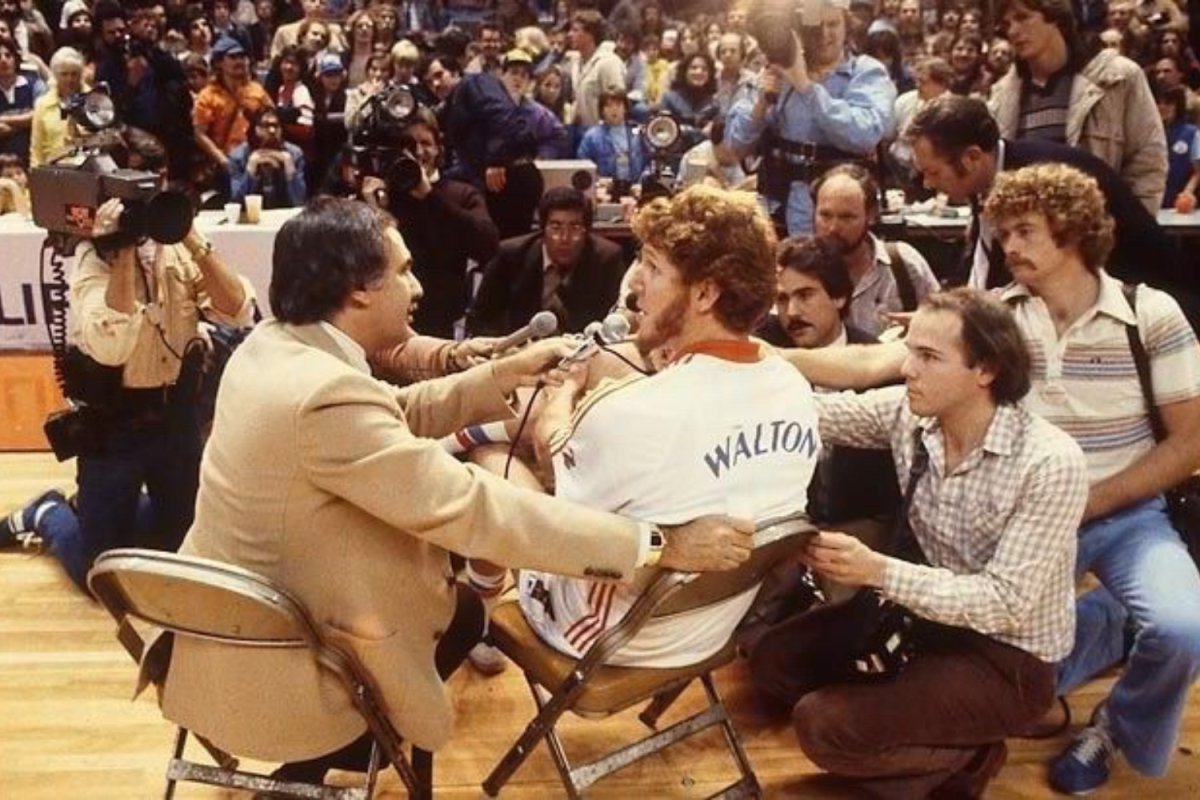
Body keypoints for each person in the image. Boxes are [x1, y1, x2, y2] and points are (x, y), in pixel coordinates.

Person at [151, 196, 754, 783]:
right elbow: (476, 510)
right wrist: (651, 543)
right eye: (405, 272)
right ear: (359, 289)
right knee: (462, 610)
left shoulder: (274, 347)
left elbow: (390, 412)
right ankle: (331, 762)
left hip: (222, 623)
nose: (417, 289)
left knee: (459, 604)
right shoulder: (322, 395)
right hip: (285, 657)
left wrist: (497, 375)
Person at [752, 287, 1090, 798]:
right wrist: (732, 372)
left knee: (822, 726)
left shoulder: (1050, 462)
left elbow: (1006, 604)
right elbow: (817, 415)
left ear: (987, 369)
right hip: (926, 618)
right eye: (910, 351)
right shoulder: (913, 415)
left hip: (1007, 660)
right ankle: (925, 721)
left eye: (928, 357)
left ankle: (972, 757)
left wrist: (877, 571)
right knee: (773, 661)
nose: (908, 369)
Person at [511, 185, 818, 667]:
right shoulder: (796, 387)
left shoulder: (631, 412)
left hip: (610, 637)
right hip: (712, 632)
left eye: (653, 268)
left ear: (704, 294)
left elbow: (549, 453)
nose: (637, 284)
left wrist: (564, 393)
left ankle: (481, 616)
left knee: (491, 463)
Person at [983, 164, 1200, 795]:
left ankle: (1113, 725)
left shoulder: (1149, 312)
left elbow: (1190, 444)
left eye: (1024, 231)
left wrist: (1087, 502)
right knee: (1006, 692)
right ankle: (1102, 627)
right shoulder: (997, 314)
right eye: (1003, 234)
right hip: (1025, 522)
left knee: (1187, 626)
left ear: (1073, 232)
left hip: (1127, 514)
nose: (1009, 247)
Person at [0, 130, 255, 591]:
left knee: (186, 554)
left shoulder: (179, 249)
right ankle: (50, 511)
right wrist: (119, 251)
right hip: (114, 429)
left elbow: (238, 311)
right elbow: (110, 348)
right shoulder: (91, 258)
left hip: (176, 420)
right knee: (100, 575)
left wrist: (191, 235)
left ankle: (100, 508)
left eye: (154, 188)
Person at [905, 95, 1191, 328]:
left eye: (933, 172)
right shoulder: (988, 179)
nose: (929, 184)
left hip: (1139, 316)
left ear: (972, 157)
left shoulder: (1043, 179)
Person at [726, 0, 895, 234]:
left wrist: (805, 86)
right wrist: (762, 104)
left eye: (833, 24)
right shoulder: (778, 70)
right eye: (816, 26)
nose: (825, 34)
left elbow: (864, 134)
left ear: (847, 25)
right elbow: (736, 145)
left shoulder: (866, 72)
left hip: (841, 208)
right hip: (784, 207)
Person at [988, 0, 1166, 214]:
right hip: (1030, 235)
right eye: (1006, 24)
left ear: (1055, 17)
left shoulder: (1117, 78)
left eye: (1022, 17)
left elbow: (1147, 162)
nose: (1013, 31)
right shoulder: (1002, 95)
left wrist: (1131, 229)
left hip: (1100, 233)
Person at [360, 106, 499, 340]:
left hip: (442, 322)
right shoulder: (383, 195)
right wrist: (373, 209)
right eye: (409, 145)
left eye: (425, 143)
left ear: (438, 149)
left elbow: (488, 245)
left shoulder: (461, 193)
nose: (418, 152)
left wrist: (428, 194)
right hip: (387, 318)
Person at [468, 186, 626, 336]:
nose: (565, 238)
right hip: (520, 353)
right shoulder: (511, 255)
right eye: (556, 227)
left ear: (587, 232)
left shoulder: (607, 259)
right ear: (543, 229)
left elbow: (613, 323)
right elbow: (482, 319)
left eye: (575, 227)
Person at [811, 163, 939, 337]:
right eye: (825, 215)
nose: (833, 227)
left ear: (870, 215)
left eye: (846, 217)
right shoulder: (797, 271)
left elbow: (943, 327)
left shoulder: (903, 263)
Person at [192, 34, 273, 197]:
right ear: (220, 63)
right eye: (233, 57)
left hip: (256, 158)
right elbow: (199, 133)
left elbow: (272, 118)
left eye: (242, 57)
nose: (239, 61)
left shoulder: (256, 90)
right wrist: (223, 160)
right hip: (226, 162)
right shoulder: (208, 96)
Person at [757, 236, 872, 350]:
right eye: (782, 299)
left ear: (839, 296)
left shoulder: (874, 359)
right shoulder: (762, 349)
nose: (791, 312)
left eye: (804, 296)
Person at [227, 106, 307, 206]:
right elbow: (237, 203)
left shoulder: (294, 154)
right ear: (256, 129)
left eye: (276, 126)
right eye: (266, 126)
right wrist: (250, 170)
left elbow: (299, 201)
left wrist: (290, 169)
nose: (272, 130)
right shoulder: (238, 156)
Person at [565, 9, 625, 128]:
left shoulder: (609, 63)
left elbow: (617, 105)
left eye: (575, 30)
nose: (569, 34)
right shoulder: (576, 62)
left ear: (590, 35)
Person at [28, 45, 84, 167]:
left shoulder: (95, 100)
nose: (69, 79)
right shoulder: (42, 104)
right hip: (54, 171)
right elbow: (36, 149)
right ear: (55, 75)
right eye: (64, 74)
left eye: (74, 74)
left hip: (87, 170)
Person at [577, 88, 647, 183]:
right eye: (608, 106)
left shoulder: (638, 133)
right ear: (602, 110)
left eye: (618, 105)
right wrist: (598, 181)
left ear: (625, 108)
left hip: (636, 188)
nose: (614, 110)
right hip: (604, 191)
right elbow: (583, 167)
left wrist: (643, 184)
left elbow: (650, 162)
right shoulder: (591, 137)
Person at [1158, 84, 1200, 210]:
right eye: (1160, 103)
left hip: (1180, 201)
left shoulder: (1192, 133)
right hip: (1155, 197)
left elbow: (1198, 171)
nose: (1163, 107)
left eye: (1169, 103)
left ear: (1179, 106)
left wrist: (1187, 192)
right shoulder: (1152, 133)